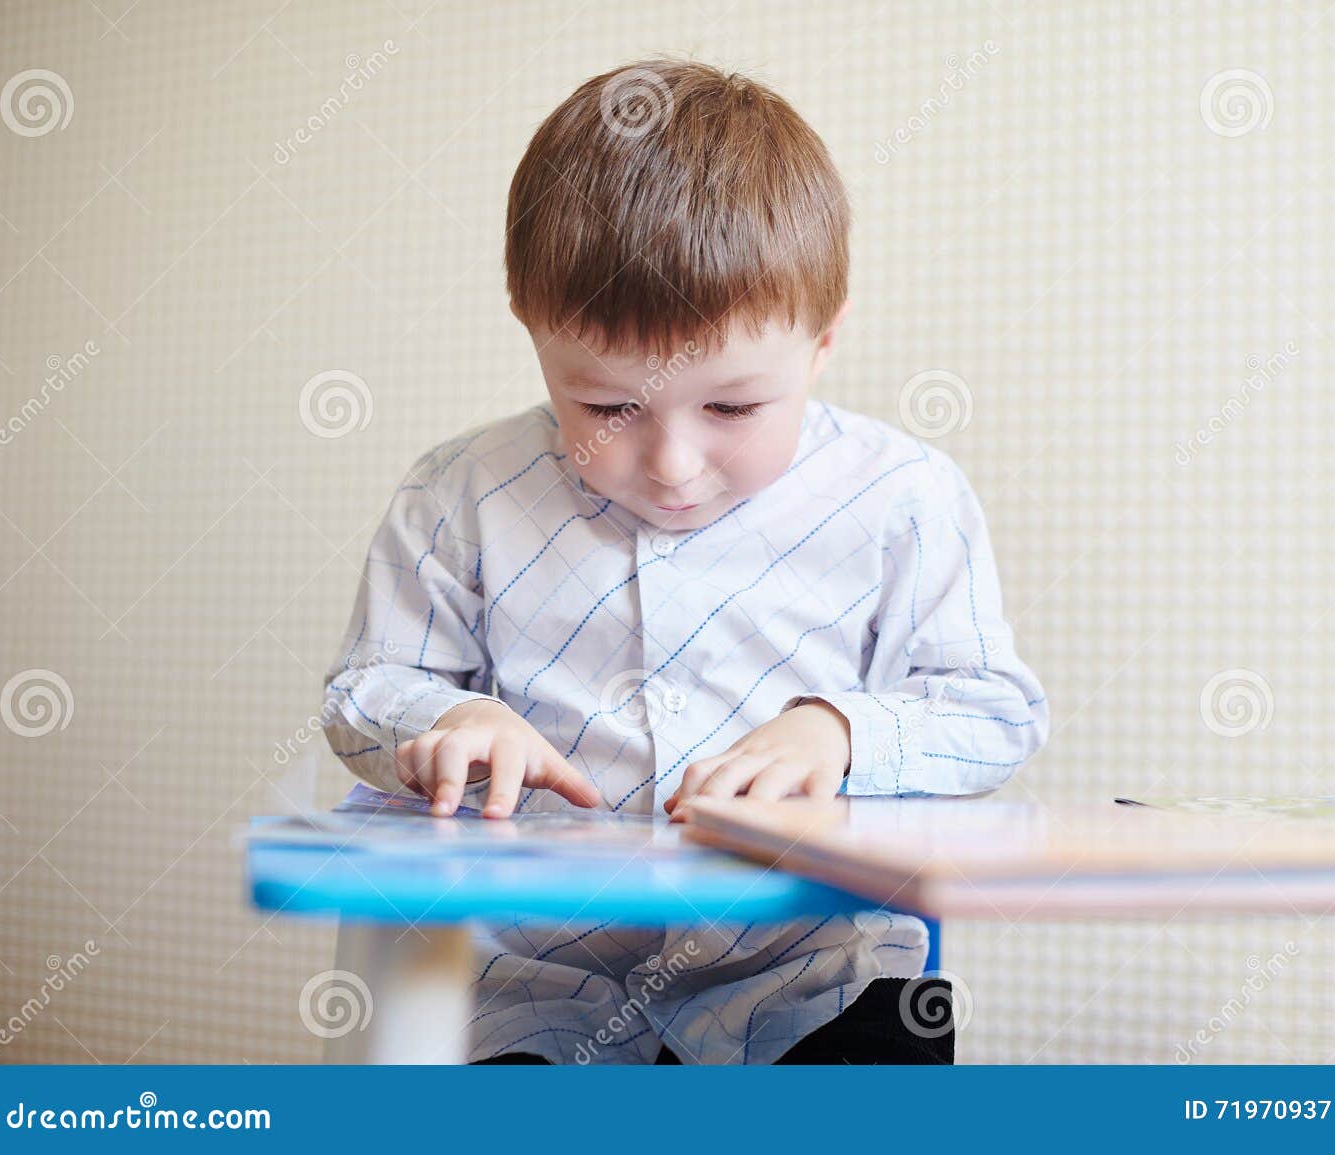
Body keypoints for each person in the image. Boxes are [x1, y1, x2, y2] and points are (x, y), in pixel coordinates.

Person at [321, 56, 1049, 1065]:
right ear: (536, 338)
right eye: (607, 406)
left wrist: (839, 731)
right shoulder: (460, 496)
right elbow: (362, 691)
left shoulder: (903, 499)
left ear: (822, 343)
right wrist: (445, 718)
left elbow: (996, 712)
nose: (670, 463)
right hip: (529, 989)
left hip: (812, 973)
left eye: (733, 407)